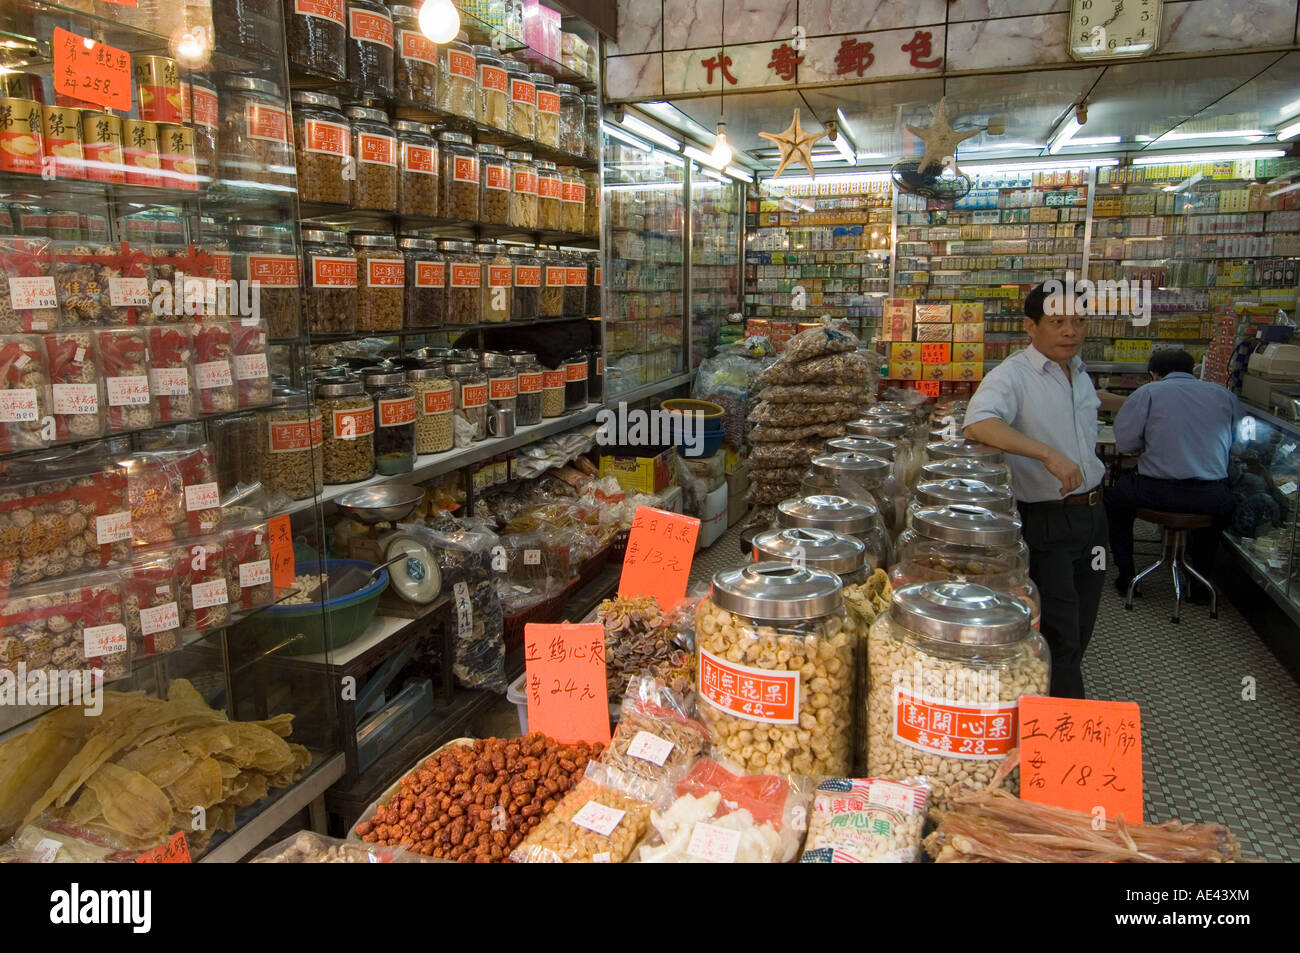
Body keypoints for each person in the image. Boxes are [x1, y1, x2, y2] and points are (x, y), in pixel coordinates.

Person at [963, 279, 1126, 699]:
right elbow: (979, 424)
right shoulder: (1013, 375)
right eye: (1057, 322)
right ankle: (1060, 736)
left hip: (1092, 518)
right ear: (1031, 327)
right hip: (1047, 521)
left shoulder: (1078, 371)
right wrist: (1046, 454)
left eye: (1077, 321)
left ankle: (1056, 701)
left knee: (1085, 619)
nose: (1070, 330)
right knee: (1057, 631)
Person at [1106, 348, 1242, 600]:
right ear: (1192, 370)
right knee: (1218, 516)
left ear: (1154, 374)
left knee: (1114, 502)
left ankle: (1127, 577)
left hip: (1155, 491)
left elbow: (1125, 444)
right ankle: (1200, 584)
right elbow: (1241, 444)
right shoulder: (1223, 395)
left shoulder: (1147, 392)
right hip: (1210, 494)